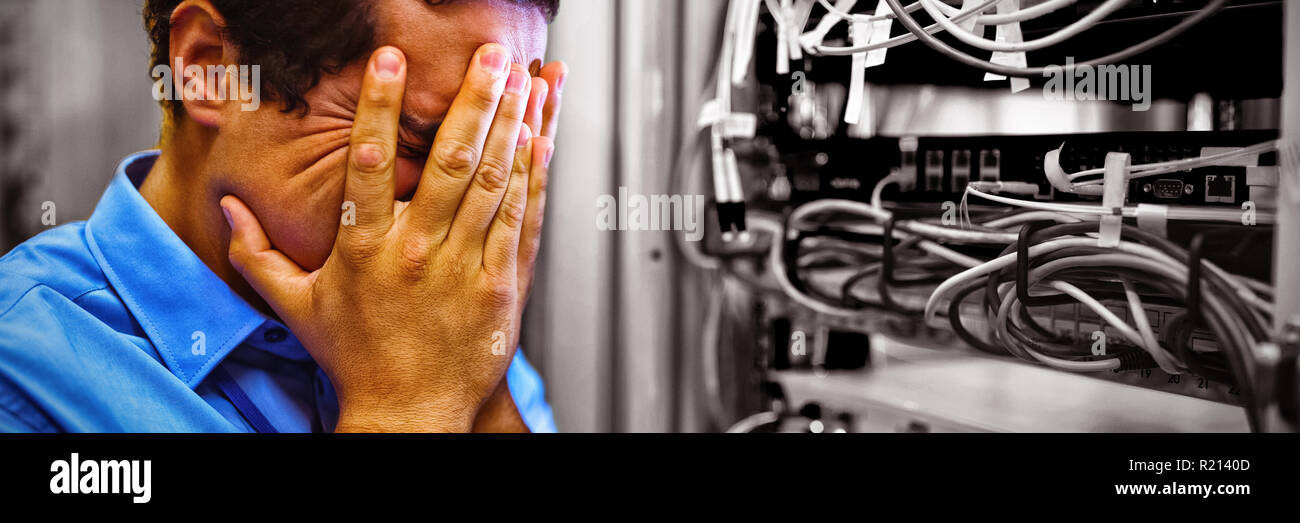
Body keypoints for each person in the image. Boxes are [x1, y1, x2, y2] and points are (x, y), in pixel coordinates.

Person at [0, 0, 566, 432]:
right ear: (212, 71)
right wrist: (405, 407)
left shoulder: (447, 324)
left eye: (493, 148)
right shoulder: (25, 368)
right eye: (418, 143)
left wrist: (478, 391)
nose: (465, 196)